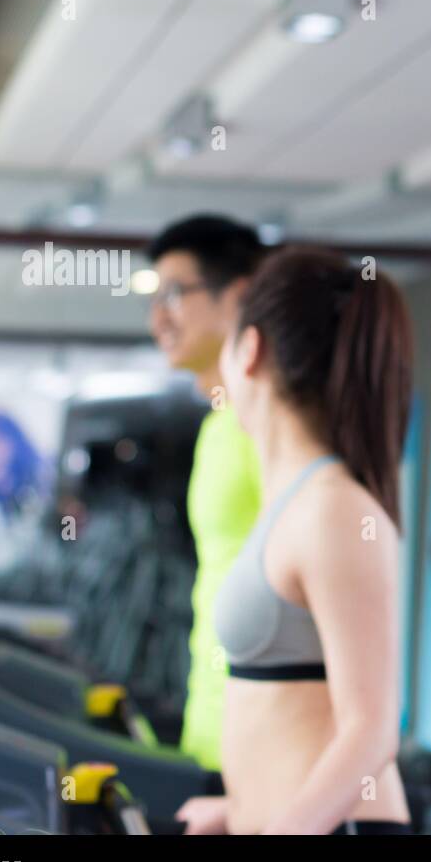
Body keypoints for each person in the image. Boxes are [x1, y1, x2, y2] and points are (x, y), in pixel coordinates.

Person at [176, 245, 414, 834]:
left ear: (249, 349)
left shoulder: (334, 511)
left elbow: (373, 728)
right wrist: (239, 812)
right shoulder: (292, 505)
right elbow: (296, 716)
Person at [146, 215, 264, 776]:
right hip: (212, 738)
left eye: (175, 293)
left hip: (260, 750)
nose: (158, 317)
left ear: (237, 295)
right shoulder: (221, 423)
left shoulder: (266, 418)